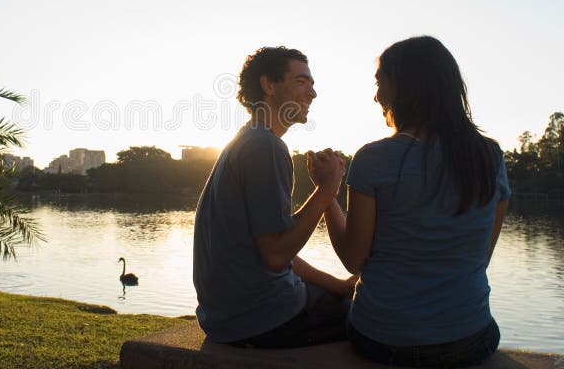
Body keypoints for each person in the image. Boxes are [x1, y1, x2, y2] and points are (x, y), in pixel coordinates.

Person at [322, 36, 509, 367]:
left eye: (381, 84)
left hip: (383, 340)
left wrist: (326, 193)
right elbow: (480, 256)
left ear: (405, 87)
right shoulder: (489, 156)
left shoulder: (374, 158)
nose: (376, 96)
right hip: (471, 339)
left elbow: (353, 260)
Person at [193, 46, 354, 348]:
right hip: (261, 318)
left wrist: (339, 287)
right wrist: (328, 188)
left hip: (225, 318)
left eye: (312, 83)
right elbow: (277, 255)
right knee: (372, 321)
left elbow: (273, 248)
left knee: (340, 298)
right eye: (301, 82)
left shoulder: (247, 141)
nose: (313, 93)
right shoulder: (265, 148)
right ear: (269, 85)